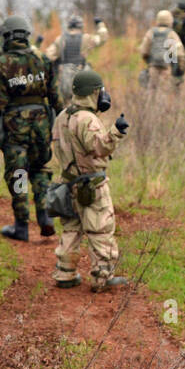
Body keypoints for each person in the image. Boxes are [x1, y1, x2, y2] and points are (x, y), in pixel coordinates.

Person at [50, 68, 130, 292]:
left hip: (68, 184)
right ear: (93, 93)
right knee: (100, 229)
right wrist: (116, 131)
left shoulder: (62, 116)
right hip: (92, 184)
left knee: (71, 230)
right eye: (100, 91)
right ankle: (103, 276)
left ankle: (65, 273)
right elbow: (98, 147)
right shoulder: (88, 119)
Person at [0, 15, 60, 240]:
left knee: (18, 173)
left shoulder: (1, 64)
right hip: (41, 125)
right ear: (26, 35)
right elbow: (56, 97)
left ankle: (21, 226)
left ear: (6, 36)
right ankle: (45, 216)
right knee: (40, 169)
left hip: (14, 127)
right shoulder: (43, 60)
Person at [45, 14, 108, 106]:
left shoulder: (60, 40)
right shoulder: (86, 38)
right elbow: (102, 38)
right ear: (81, 26)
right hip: (82, 81)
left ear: (69, 26)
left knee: (66, 108)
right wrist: (100, 24)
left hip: (65, 79)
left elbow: (47, 56)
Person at [137, 9, 185, 88]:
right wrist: (180, 68)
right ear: (170, 20)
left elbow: (144, 50)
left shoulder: (151, 32)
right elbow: (179, 53)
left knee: (152, 90)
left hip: (153, 66)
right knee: (164, 91)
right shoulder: (171, 34)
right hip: (166, 67)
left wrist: (148, 61)